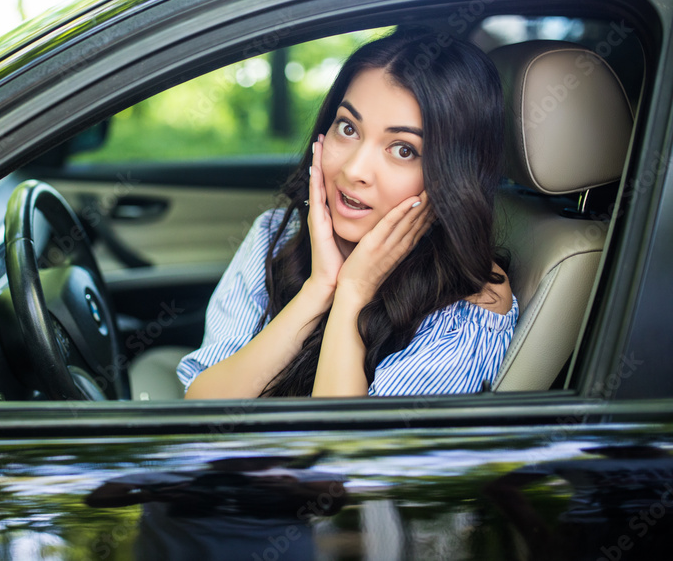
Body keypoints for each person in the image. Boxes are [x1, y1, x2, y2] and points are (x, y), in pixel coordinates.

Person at [179, 28, 518, 399]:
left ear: (453, 176)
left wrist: (354, 293)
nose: (355, 170)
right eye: (348, 128)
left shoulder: (469, 305)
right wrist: (318, 289)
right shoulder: (277, 232)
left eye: (403, 150)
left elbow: (342, 453)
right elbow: (203, 408)